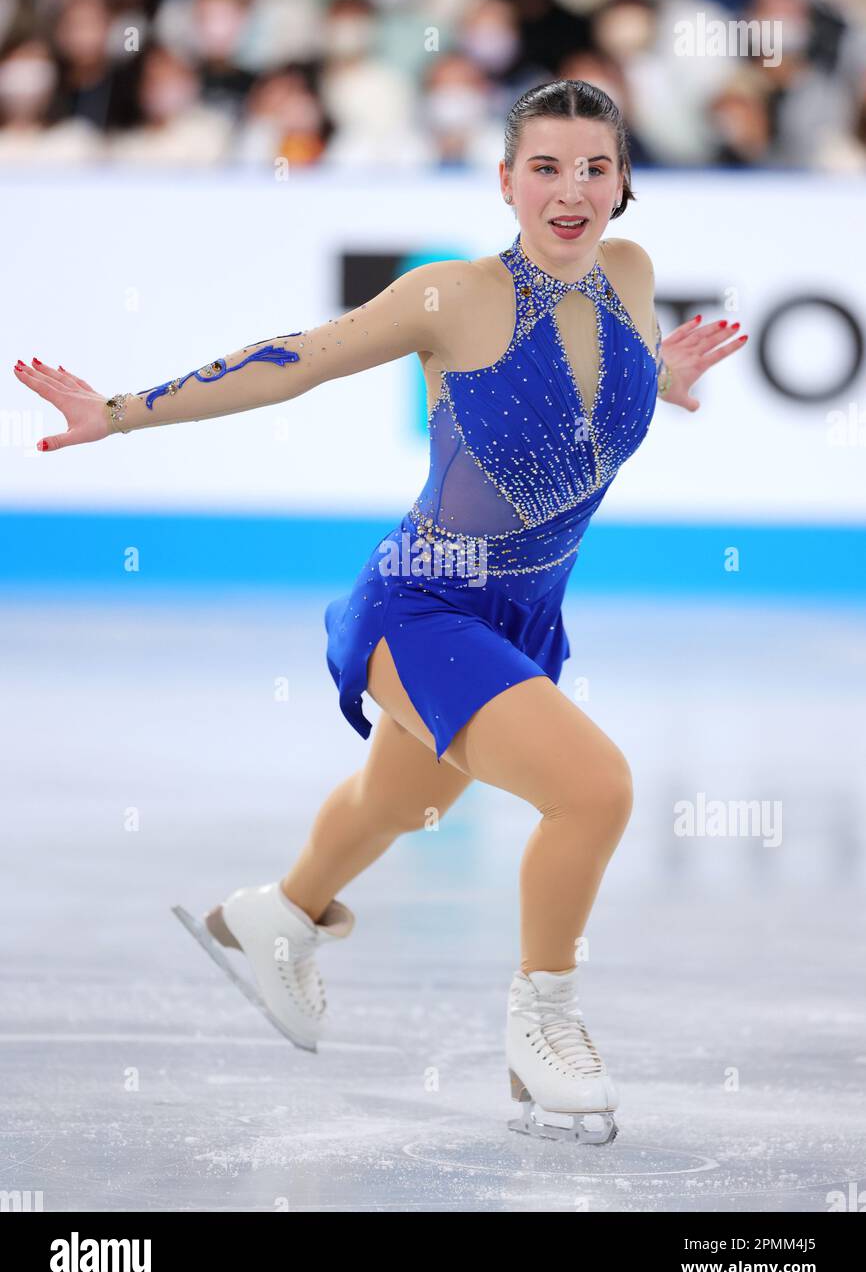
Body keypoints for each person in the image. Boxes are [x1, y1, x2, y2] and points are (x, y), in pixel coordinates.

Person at [14, 80, 747, 1144]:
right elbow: (291, 363)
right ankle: (541, 1025)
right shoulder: (448, 295)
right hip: (421, 604)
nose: (570, 189)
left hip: (526, 613)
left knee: (405, 802)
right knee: (593, 791)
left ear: (623, 180)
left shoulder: (630, 279)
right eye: (544, 166)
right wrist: (118, 413)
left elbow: (599, 400)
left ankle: (279, 913)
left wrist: (661, 375)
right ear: (504, 181)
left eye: (594, 166)